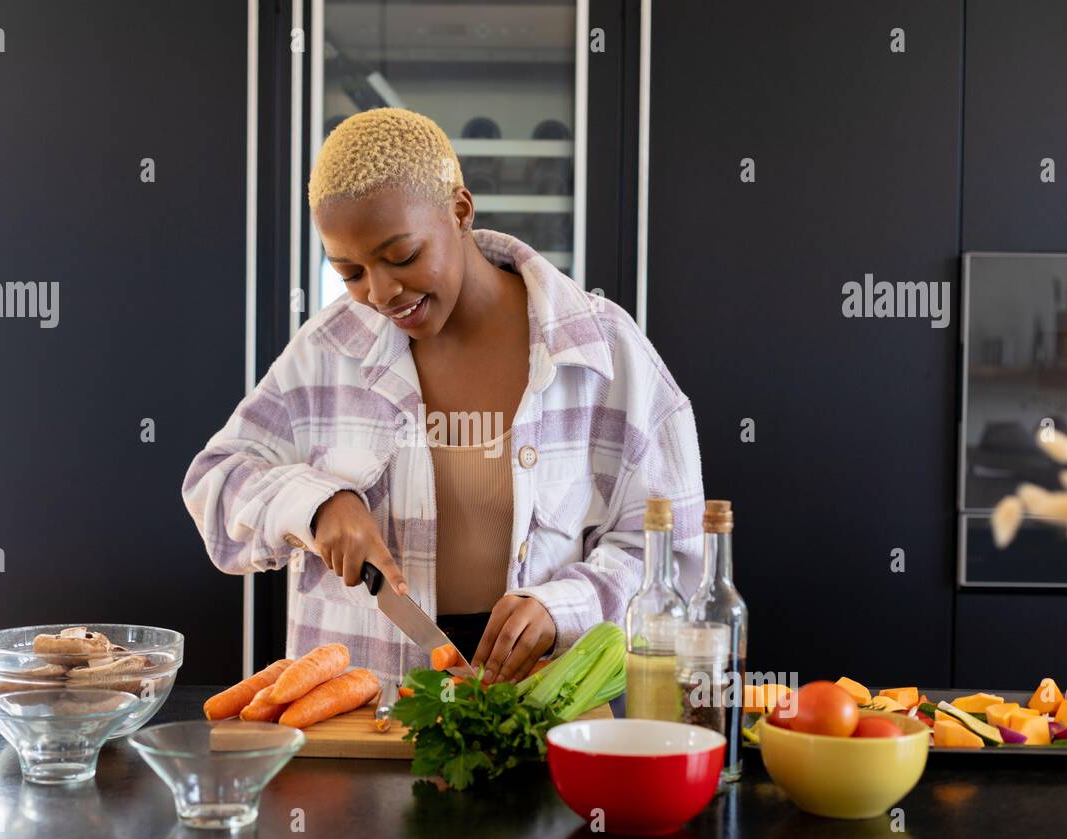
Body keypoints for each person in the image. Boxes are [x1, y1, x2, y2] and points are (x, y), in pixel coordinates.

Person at [183, 107, 704, 687]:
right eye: (350, 272)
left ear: (460, 211)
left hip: (544, 714)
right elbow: (216, 480)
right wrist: (316, 503)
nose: (381, 293)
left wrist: (564, 608)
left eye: (402, 257)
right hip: (364, 720)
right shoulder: (327, 348)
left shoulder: (603, 350)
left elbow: (673, 554)